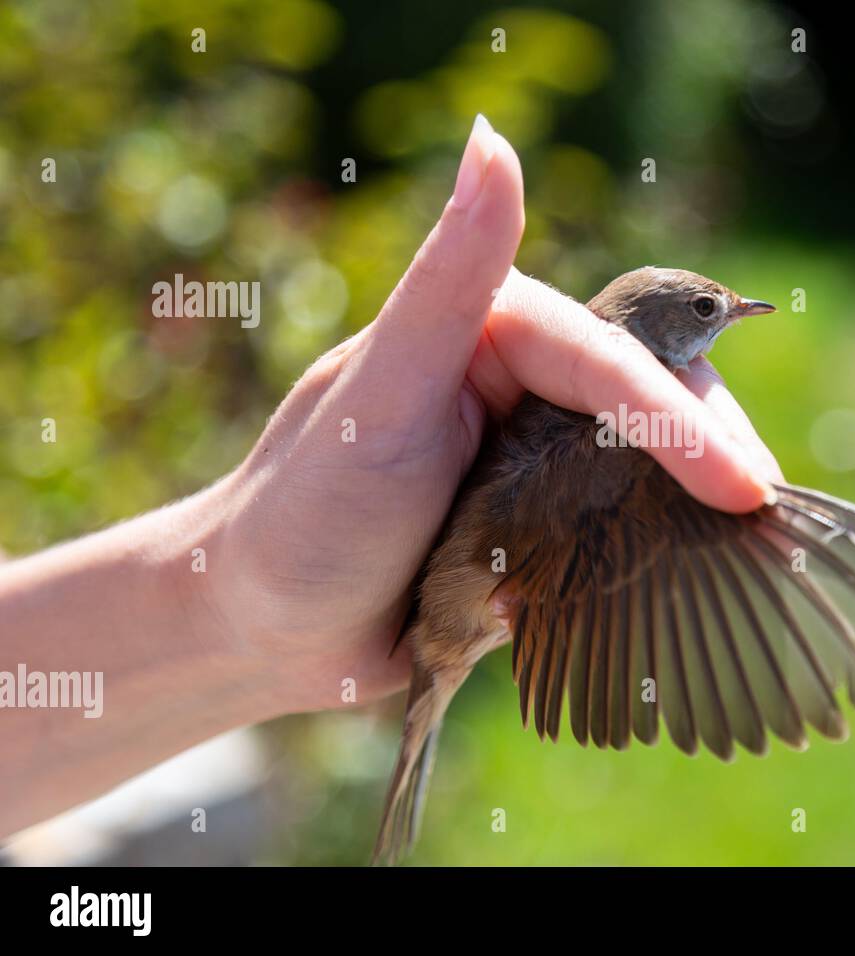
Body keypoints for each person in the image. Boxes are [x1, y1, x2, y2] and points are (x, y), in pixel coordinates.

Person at [0, 117, 779, 839]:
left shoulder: (589, 426)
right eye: (710, 309)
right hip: (448, 615)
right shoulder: (606, 437)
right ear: (662, 331)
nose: (732, 315)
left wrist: (234, 601)